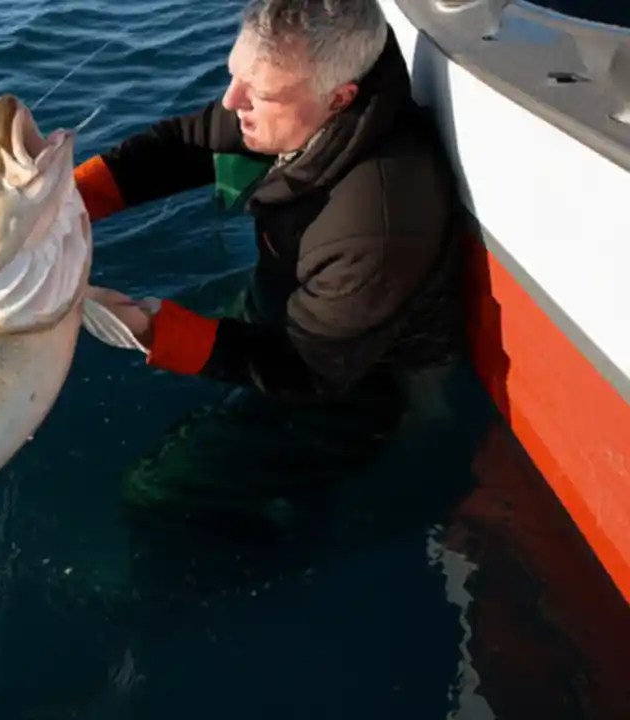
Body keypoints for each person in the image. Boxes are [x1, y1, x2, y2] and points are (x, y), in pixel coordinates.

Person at [74, 0, 467, 537]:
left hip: (359, 386)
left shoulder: (374, 223)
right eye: (235, 76)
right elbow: (185, 144)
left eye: (257, 93)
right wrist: (66, 204)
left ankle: (255, 553)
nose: (233, 101)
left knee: (155, 492)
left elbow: (311, 370)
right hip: (293, 313)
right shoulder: (296, 103)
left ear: (340, 98)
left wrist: (152, 329)